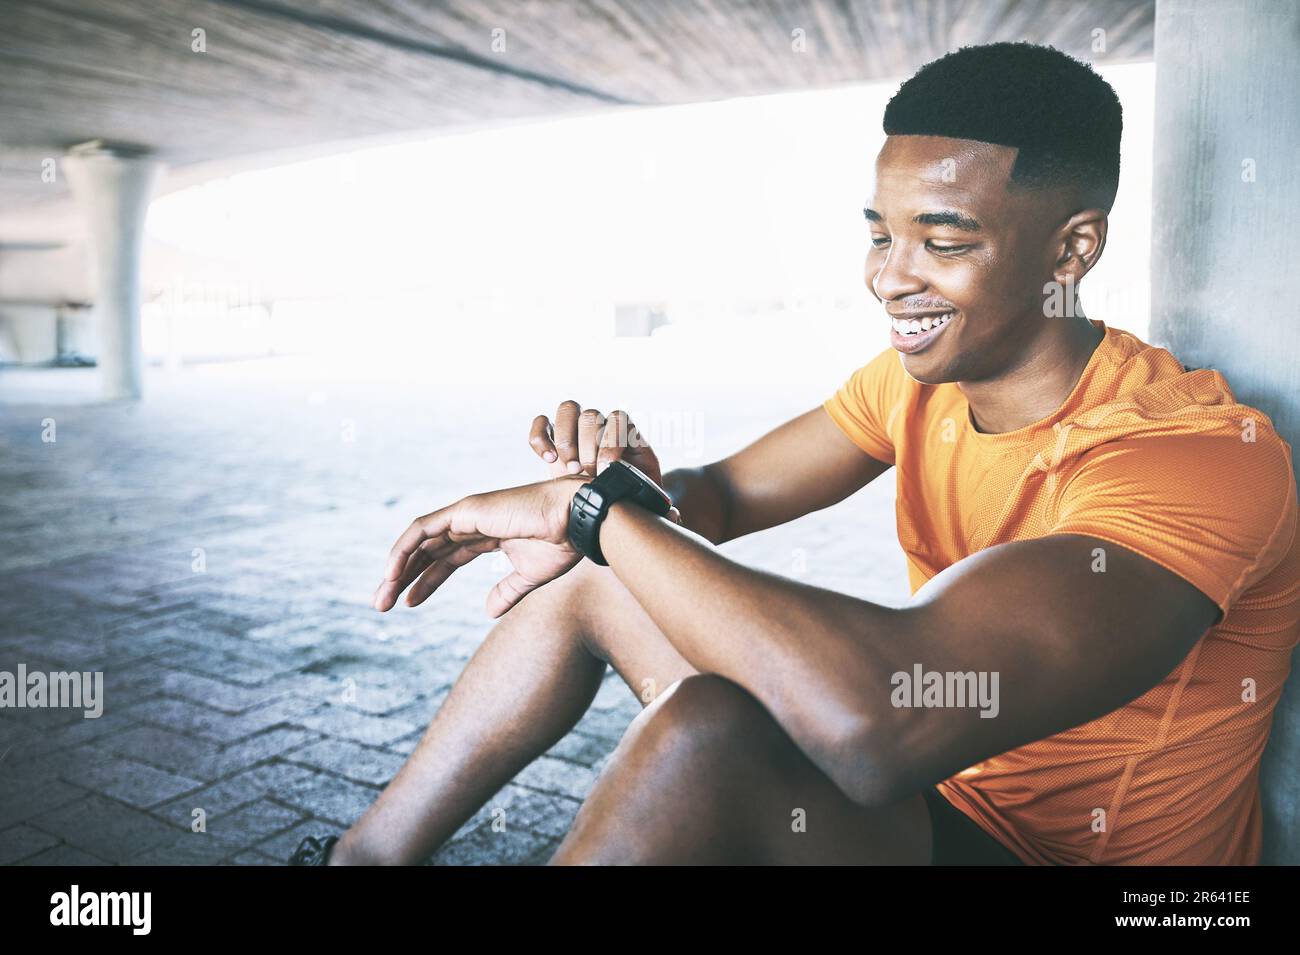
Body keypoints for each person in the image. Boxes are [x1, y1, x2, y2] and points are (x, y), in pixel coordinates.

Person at [291, 41, 1299, 866]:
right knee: (598, 570)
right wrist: (619, 492)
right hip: (929, 817)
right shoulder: (915, 382)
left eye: (942, 242)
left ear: (1071, 250)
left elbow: (881, 725)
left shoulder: (1193, 456)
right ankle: (359, 864)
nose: (888, 279)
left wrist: (601, 516)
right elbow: (716, 496)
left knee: (705, 734)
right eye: (880, 234)